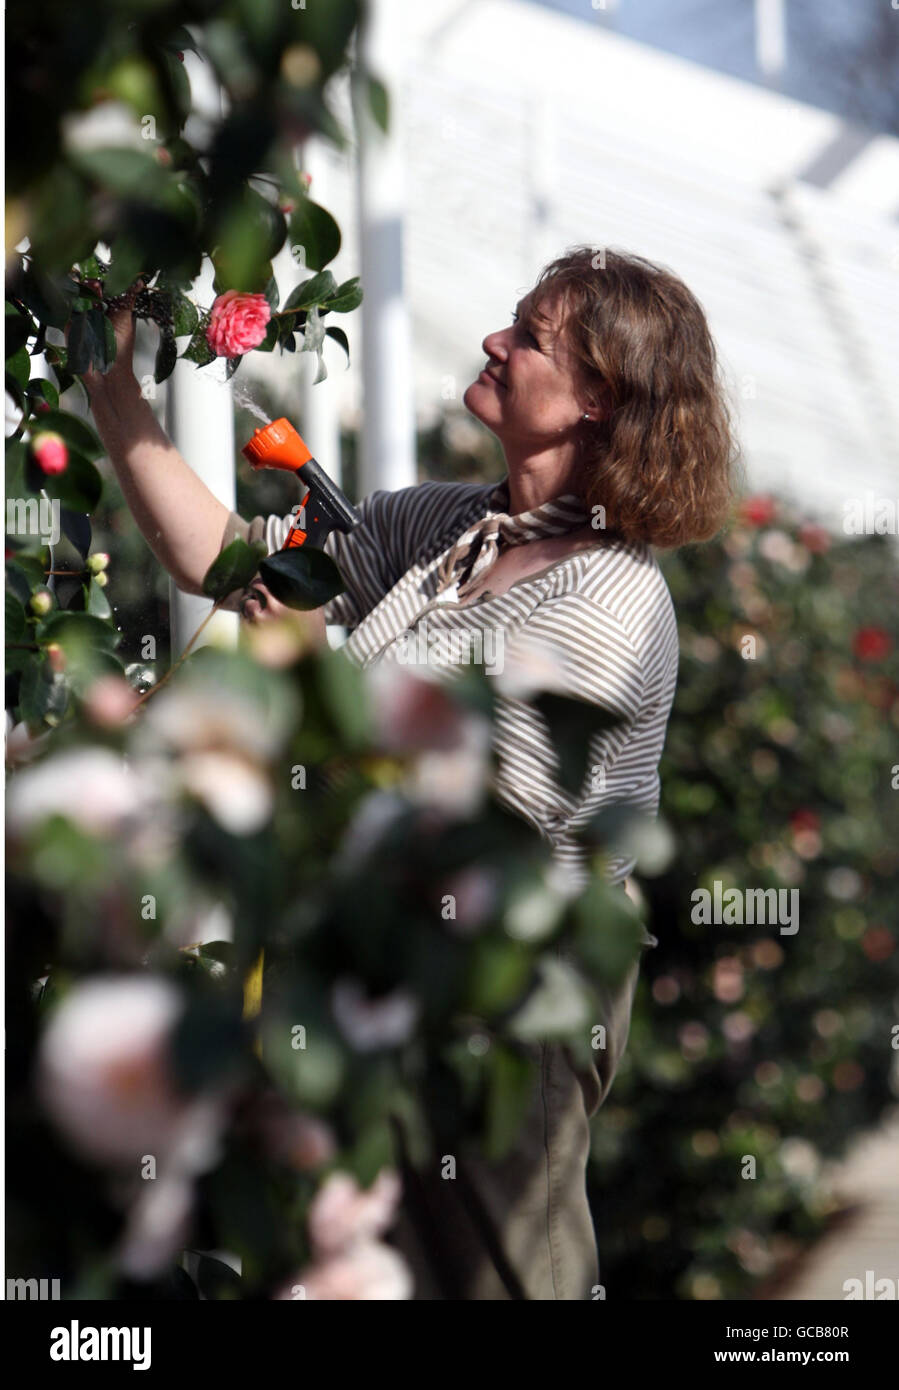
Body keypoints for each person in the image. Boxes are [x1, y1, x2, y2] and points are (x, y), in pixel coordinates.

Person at [83, 245, 738, 1299]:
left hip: (502, 1001)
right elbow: (233, 564)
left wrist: (307, 664)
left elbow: (479, 819)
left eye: (530, 337)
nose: (493, 339)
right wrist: (111, 383)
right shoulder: (452, 530)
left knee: (497, 1274)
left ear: (594, 403)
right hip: (370, 975)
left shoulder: (612, 604)